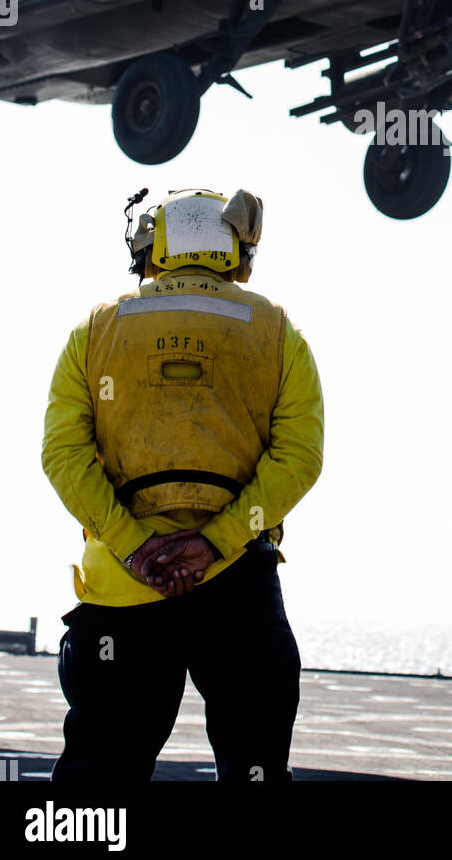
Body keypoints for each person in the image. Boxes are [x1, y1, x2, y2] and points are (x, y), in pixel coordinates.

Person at [42, 186, 324, 783]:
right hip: (238, 586)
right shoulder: (275, 331)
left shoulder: (96, 330)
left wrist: (134, 545)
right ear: (236, 252)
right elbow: (299, 457)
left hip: (123, 591)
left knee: (97, 781)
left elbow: (63, 454)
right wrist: (217, 540)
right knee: (255, 770)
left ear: (154, 248)